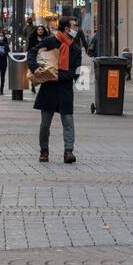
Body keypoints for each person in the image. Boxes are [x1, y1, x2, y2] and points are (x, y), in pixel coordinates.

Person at [33, 17, 82, 163]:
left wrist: (57, 75)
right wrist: (36, 68)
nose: (76, 29)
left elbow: (76, 73)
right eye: (75, 26)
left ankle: (68, 151)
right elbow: (32, 53)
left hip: (65, 89)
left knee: (68, 121)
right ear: (66, 29)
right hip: (48, 88)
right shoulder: (50, 41)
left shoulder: (76, 49)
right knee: (45, 124)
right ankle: (44, 151)